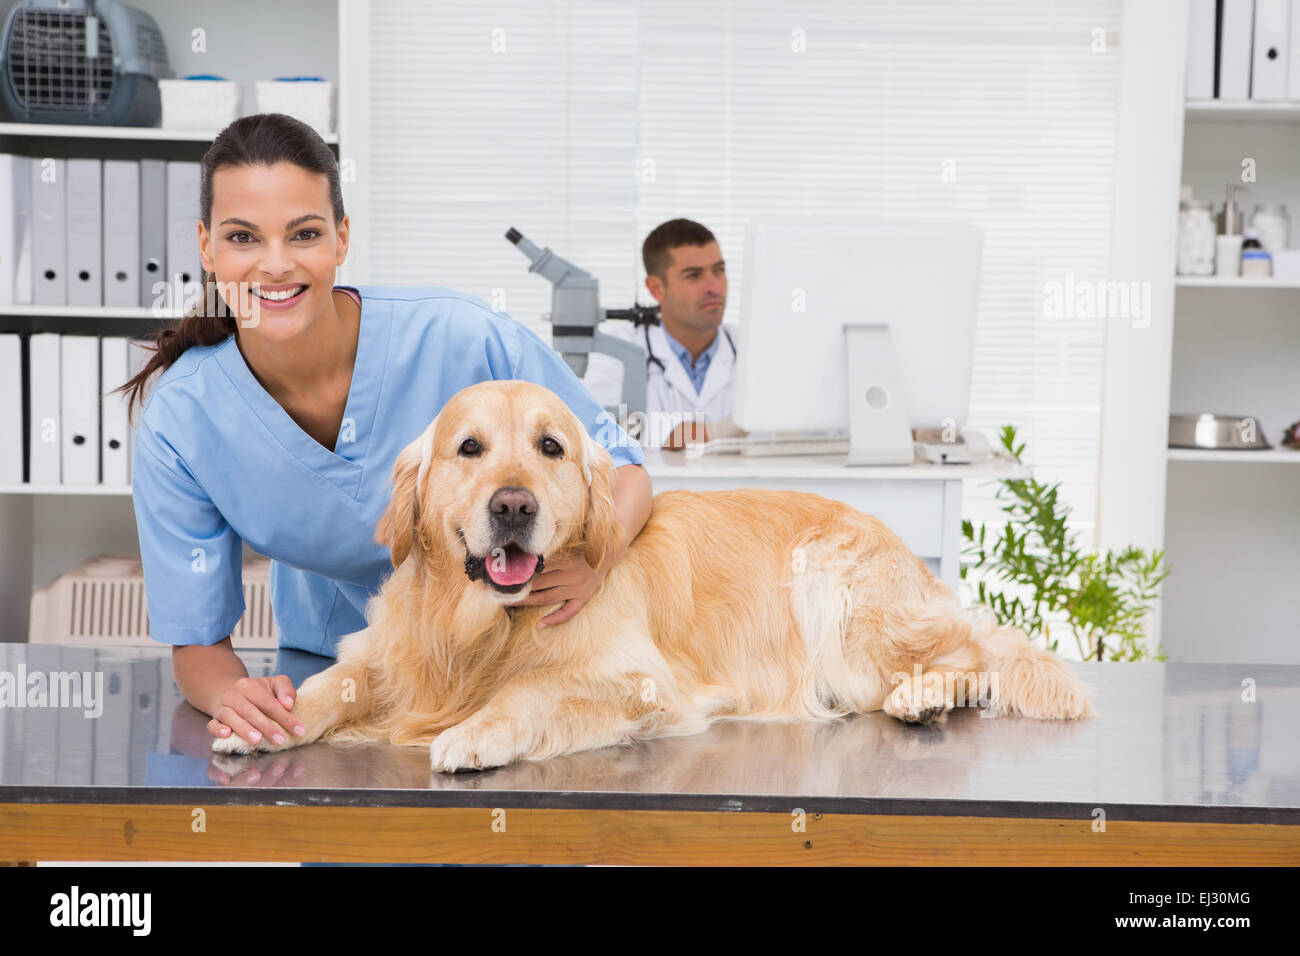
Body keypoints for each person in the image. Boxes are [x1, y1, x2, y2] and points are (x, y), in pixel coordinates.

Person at [116, 113, 652, 752]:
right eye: (243, 237)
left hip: (522, 653)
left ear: (341, 237)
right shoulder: (182, 420)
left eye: (305, 233)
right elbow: (198, 645)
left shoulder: (462, 338)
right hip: (338, 664)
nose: (276, 264)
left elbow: (620, 467)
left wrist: (599, 560)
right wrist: (237, 697)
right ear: (206, 247)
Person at [584, 218, 743, 449]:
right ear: (656, 288)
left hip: (739, 485)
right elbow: (602, 428)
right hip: (656, 485)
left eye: (719, 271)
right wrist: (715, 431)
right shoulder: (618, 351)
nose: (714, 287)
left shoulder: (754, 348)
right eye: (693, 275)